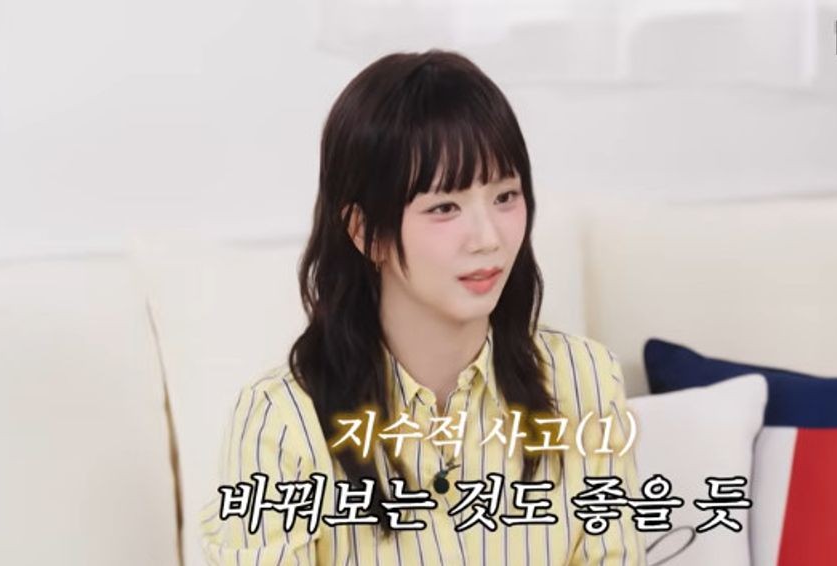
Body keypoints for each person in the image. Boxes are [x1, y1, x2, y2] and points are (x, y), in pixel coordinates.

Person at [198, 49, 642, 565]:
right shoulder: (281, 423)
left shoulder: (585, 381)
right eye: (445, 207)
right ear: (366, 232)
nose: (488, 238)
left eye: (505, 196)